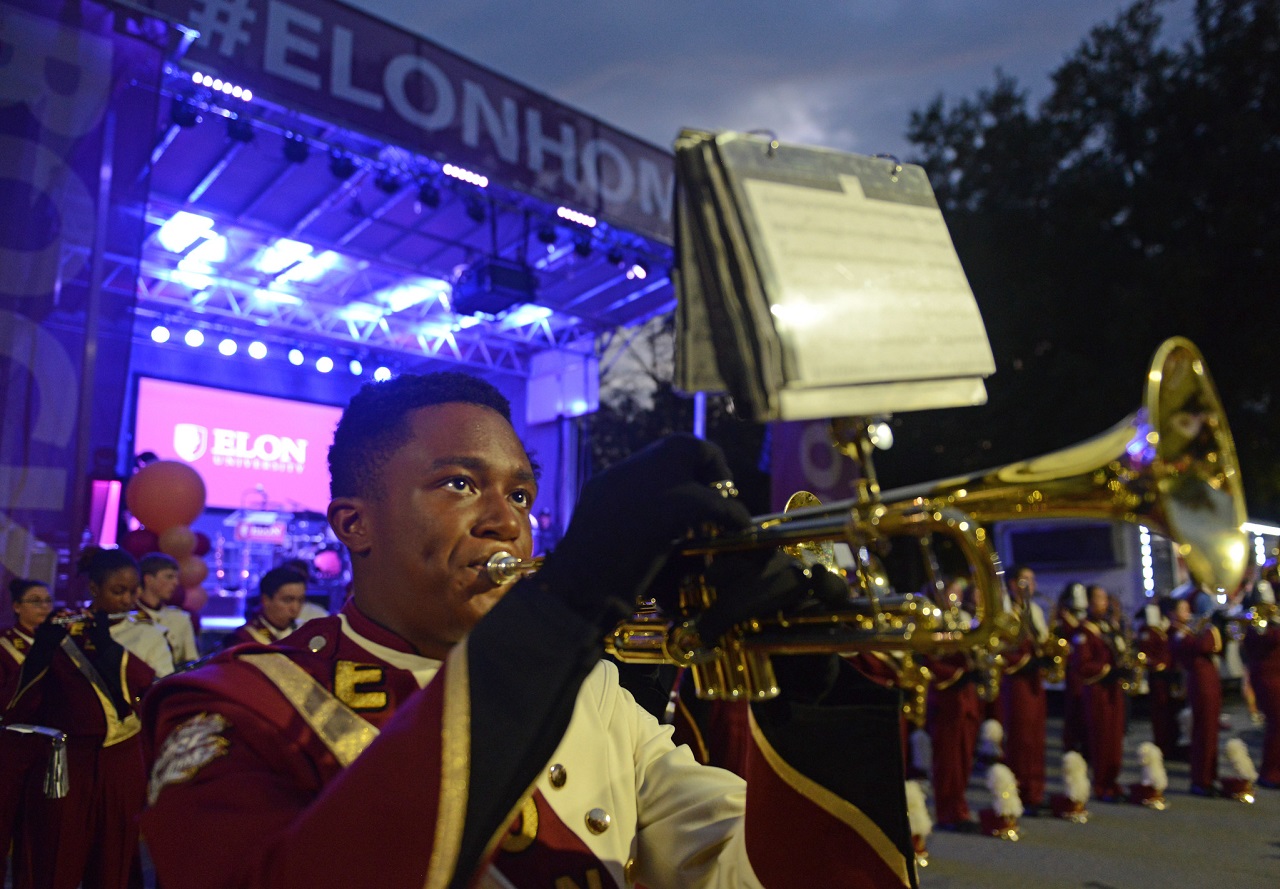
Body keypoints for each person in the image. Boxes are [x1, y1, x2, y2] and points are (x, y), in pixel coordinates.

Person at [141, 371, 920, 889]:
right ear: (355, 523)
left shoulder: (593, 691)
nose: (504, 521)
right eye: (459, 483)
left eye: (520, 493)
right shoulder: (233, 703)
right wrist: (567, 606)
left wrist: (812, 707)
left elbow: (733, 870)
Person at [5, 549, 160, 889]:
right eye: (117, 591)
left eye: (132, 591)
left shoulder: (149, 632)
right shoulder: (65, 629)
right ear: (94, 590)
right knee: (55, 856)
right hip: (67, 761)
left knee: (114, 859)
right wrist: (43, 651)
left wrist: (107, 648)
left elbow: (150, 692)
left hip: (122, 759)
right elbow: (19, 703)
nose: (127, 599)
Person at [1, 579, 56, 887]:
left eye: (48, 601)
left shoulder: (59, 643)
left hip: (47, 749)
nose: (44, 607)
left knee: (36, 835)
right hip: (11, 746)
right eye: (35, 601)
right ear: (16, 606)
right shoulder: (5, 644)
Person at [923, 577, 981, 831]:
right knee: (948, 759)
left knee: (965, 755)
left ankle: (960, 806)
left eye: (958, 593)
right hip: (946, 698)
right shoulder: (931, 622)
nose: (956, 598)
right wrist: (957, 675)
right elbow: (928, 659)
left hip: (966, 697)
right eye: (952, 593)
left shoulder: (961, 618)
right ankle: (949, 812)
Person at [999, 565, 1049, 814]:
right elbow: (1004, 649)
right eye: (1025, 579)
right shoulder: (1006, 612)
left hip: (1034, 681)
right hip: (1017, 681)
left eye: (1033, 579)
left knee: (1037, 736)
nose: (1032, 584)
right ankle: (1022, 791)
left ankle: (1036, 789)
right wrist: (1027, 661)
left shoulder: (1035, 609)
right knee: (1022, 737)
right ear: (1012, 585)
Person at [1070, 585, 1127, 800]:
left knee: (1115, 736)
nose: (1106, 602)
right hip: (1098, 690)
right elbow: (1082, 665)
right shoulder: (1085, 630)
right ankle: (1102, 784)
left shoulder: (1107, 626)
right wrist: (1108, 671)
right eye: (1101, 598)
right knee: (1102, 738)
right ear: (1090, 602)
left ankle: (1113, 780)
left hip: (1113, 689)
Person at [1170, 595, 1223, 795]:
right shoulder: (1180, 633)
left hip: (1209, 683)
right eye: (1184, 609)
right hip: (1200, 685)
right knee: (1203, 731)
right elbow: (1204, 646)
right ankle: (1201, 780)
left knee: (1210, 731)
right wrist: (1209, 628)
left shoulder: (1192, 631)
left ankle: (1209, 776)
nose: (1188, 614)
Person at [1241, 561, 1279, 787]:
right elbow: (1265, 640)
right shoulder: (1255, 620)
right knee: (1276, 724)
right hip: (1267, 677)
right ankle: (1269, 773)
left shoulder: (1271, 619)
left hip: (1275, 674)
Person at [1136, 596, 1181, 760]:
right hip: (1158, 676)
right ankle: (1162, 745)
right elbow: (1145, 653)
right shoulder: (1147, 630)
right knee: (1160, 712)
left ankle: (1172, 744)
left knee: (1171, 711)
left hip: (1170, 675)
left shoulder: (1168, 627)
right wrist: (1157, 664)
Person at [136, 553, 200, 666]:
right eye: (169, 577)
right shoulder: (129, 617)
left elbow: (192, 661)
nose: (176, 583)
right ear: (148, 579)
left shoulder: (181, 618)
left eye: (176, 577)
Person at [222, 567, 308, 647]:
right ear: (265, 600)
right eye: (287, 600)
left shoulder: (305, 633)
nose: (295, 608)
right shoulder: (244, 639)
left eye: (300, 600)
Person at [1054, 582, 1088, 755]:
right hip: (1073, 666)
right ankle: (1072, 742)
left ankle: (1084, 741)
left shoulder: (1083, 617)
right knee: (1074, 705)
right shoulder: (1063, 615)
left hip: (1083, 666)